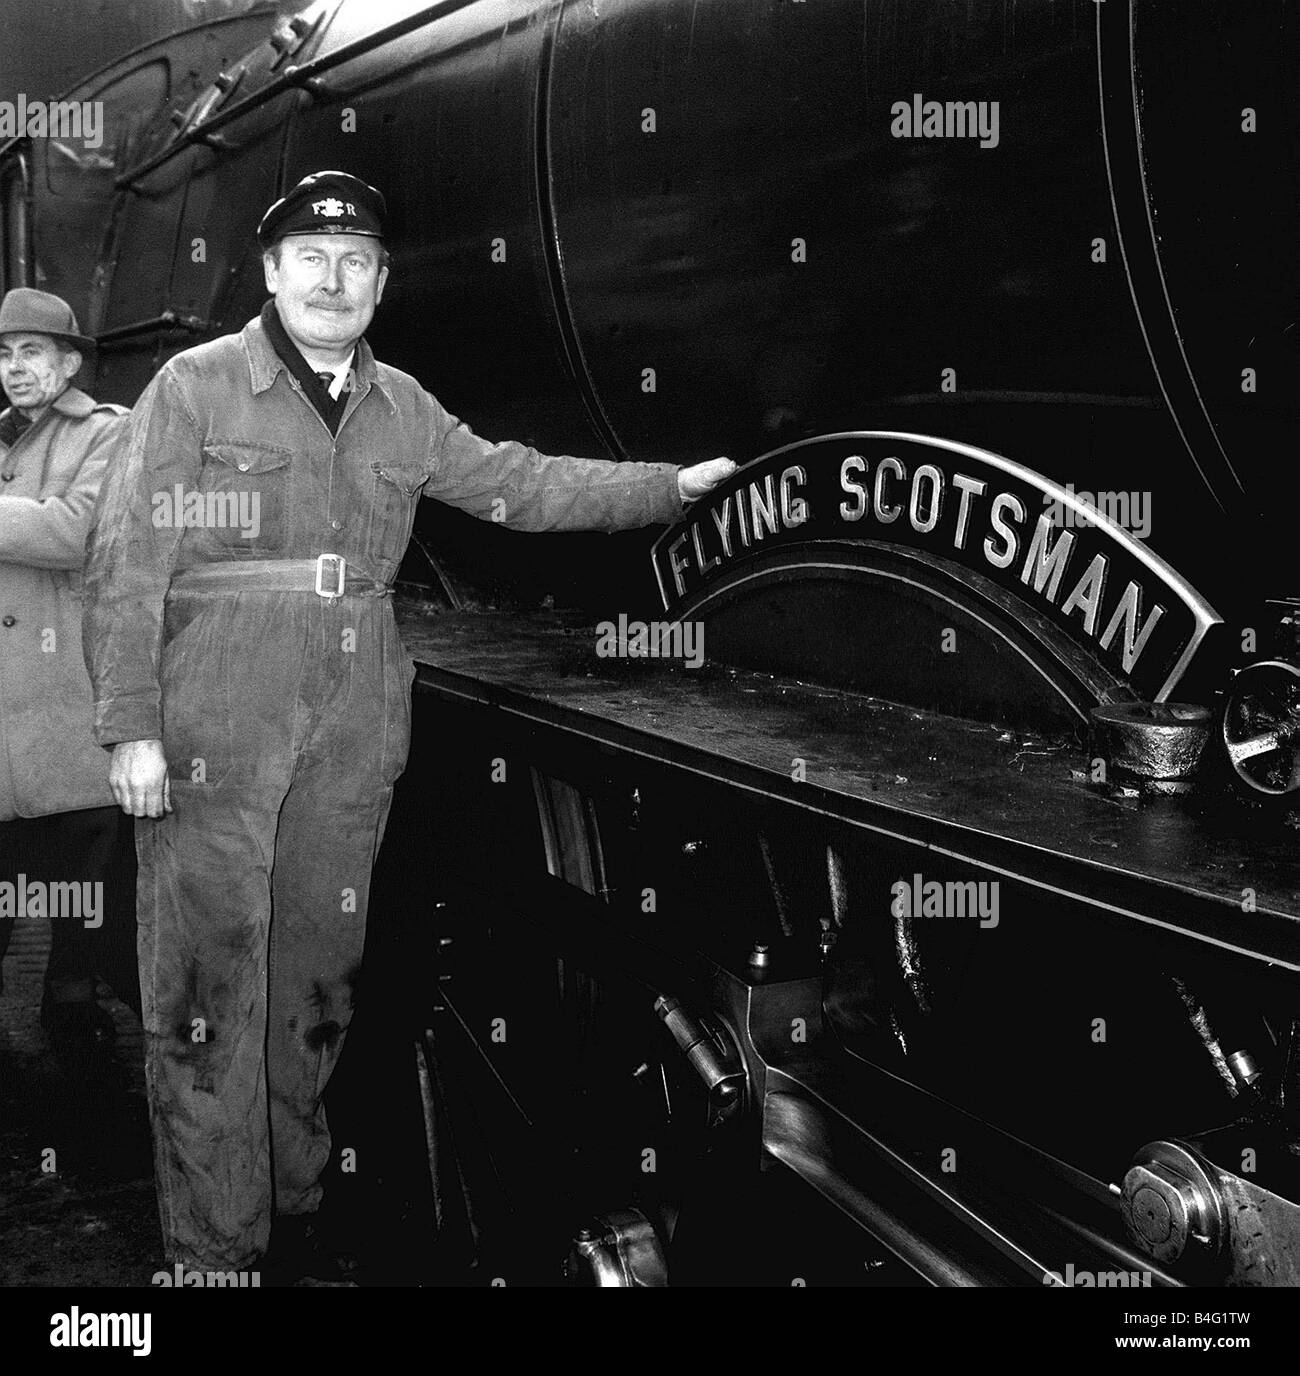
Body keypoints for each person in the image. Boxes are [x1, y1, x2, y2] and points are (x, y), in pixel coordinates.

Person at [83, 170, 735, 1282]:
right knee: (208, 991)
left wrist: (667, 485)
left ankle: (288, 1204)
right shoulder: (196, 387)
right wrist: (131, 727)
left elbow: (520, 488)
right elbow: (129, 558)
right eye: (310, 258)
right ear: (272, 273)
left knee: (318, 978)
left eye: (356, 263)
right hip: (217, 714)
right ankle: (210, 1252)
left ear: (379, 285)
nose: (332, 278)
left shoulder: (406, 407)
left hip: (355, 712)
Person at [0, 288, 135, 1049]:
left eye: (31, 353)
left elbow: (79, 530)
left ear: (69, 363)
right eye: (3, 354)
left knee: (82, 860)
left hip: (66, 695)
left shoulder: (106, 435)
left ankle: (73, 1001)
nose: (14, 369)